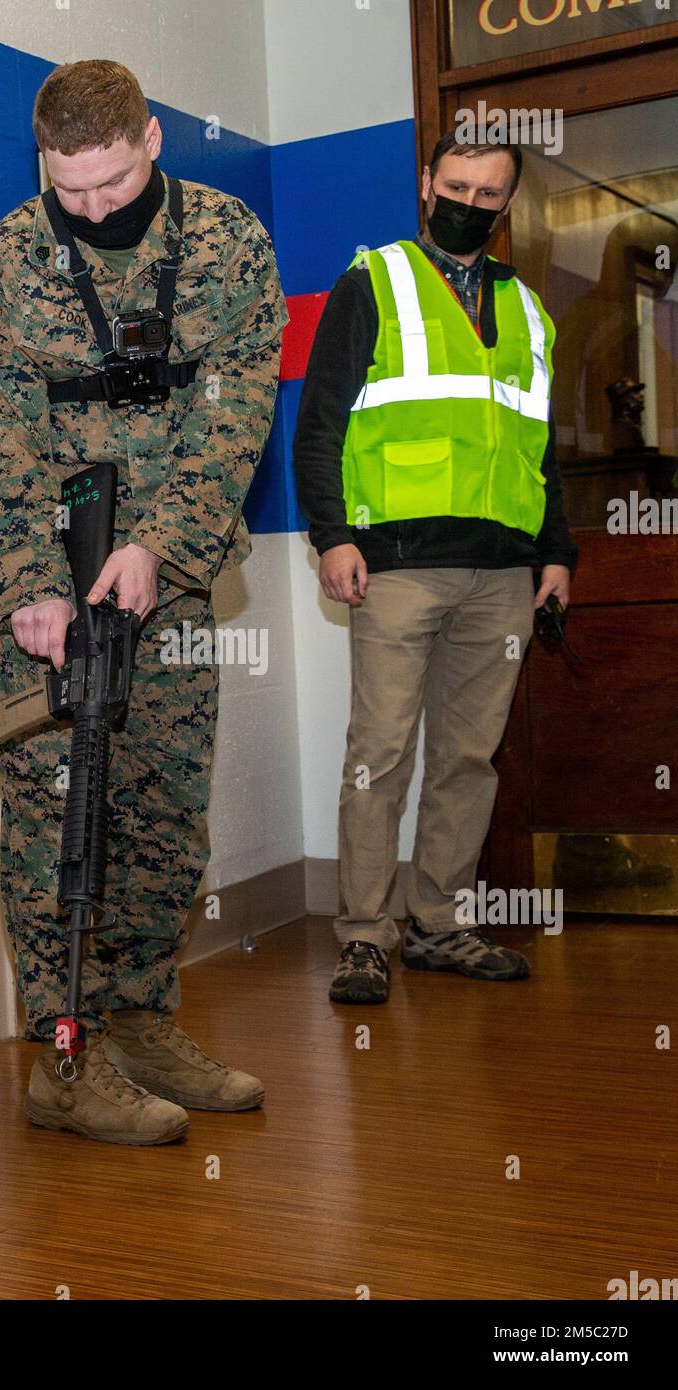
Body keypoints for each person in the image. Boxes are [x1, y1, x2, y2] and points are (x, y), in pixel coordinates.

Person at [0, 60, 287, 1141]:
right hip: (49, 592)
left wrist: (163, 547)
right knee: (56, 825)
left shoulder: (229, 243)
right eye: (69, 186)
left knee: (161, 819)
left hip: (169, 590)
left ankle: (140, 1022)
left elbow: (234, 421)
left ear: (150, 138)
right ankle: (61, 1058)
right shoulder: (6, 264)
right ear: (43, 158)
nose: (92, 207)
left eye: (110, 181)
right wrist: (25, 590)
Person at [293, 131, 577, 1005]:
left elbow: (541, 449)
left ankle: (442, 927)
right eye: (457, 185)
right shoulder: (371, 281)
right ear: (426, 183)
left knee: (470, 756)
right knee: (379, 753)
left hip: (503, 573)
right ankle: (364, 938)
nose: (470, 204)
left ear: (506, 205)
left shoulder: (528, 309)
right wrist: (331, 534)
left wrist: (557, 551)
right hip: (399, 565)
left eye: (490, 194)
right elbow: (320, 422)